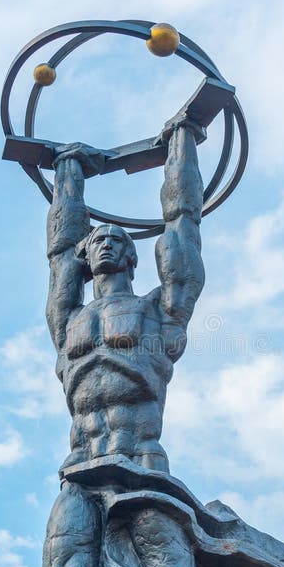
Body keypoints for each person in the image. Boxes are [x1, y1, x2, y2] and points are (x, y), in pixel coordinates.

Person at [45, 115, 206, 475]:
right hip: (81, 456)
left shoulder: (158, 310)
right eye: (98, 240)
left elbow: (183, 227)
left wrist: (182, 142)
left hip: (140, 453)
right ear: (87, 254)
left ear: (131, 257)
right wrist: (68, 170)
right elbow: (60, 255)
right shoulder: (71, 320)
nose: (105, 245)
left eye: (116, 240)